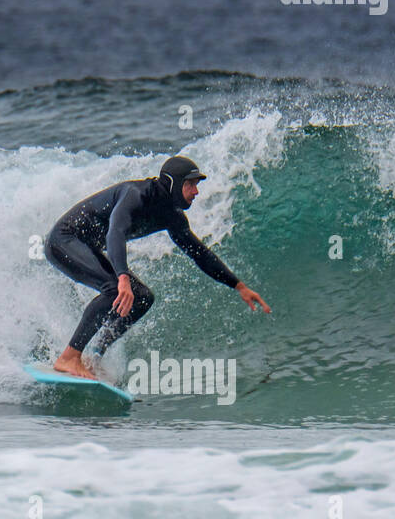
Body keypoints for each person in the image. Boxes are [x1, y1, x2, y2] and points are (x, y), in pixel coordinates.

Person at [44, 155, 270, 380]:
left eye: (196, 185)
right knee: (114, 289)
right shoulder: (136, 195)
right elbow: (116, 232)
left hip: (85, 245)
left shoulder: (172, 216)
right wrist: (123, 277)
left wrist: (238, 286)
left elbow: (198, 253)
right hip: (64, 240)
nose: (196, 192)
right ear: (173, 183)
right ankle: (69, 357)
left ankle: (93, 356)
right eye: (190, 184)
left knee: (142, 297)